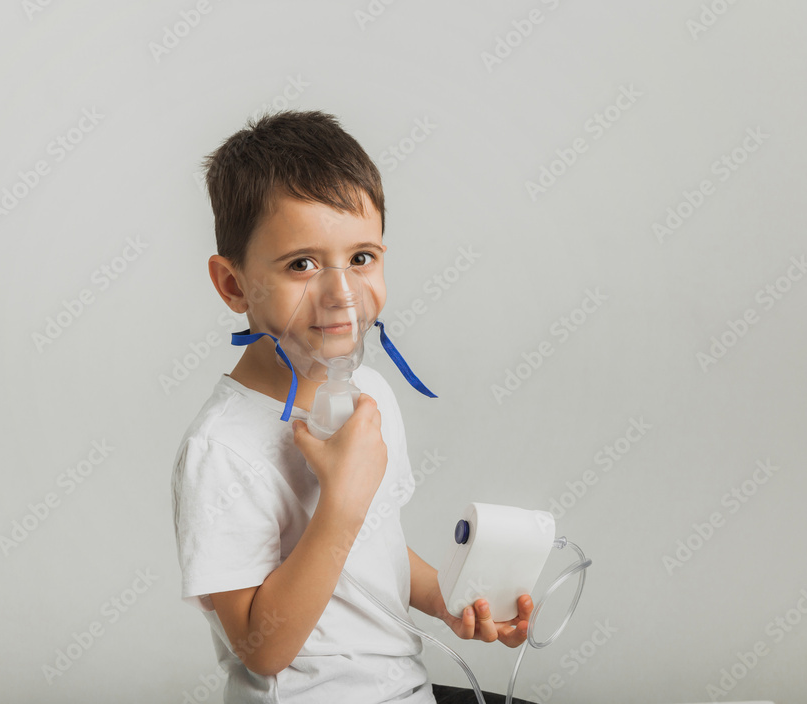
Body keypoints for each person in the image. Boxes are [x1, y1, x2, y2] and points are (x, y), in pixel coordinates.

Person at [171, 109, 534, 703]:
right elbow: (261, 648)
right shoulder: (221, 450)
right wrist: (341, 499)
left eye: (362, 258)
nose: (342, 294)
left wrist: (450, 598)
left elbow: (375, 551)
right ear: (233, 285)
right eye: (302, 264)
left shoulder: (372, 395)